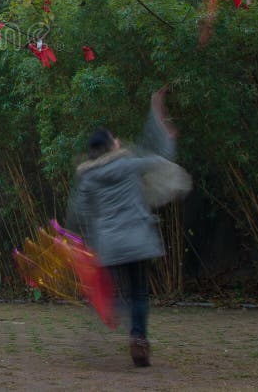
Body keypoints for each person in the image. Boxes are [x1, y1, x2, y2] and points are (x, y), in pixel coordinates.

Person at [68, 88, 189, 368]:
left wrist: (80, 239)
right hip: (137, 239)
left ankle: (112, 311)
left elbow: (81, 211)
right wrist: (165, 132)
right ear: (111, 145)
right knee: (138, 292)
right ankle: (138, 338)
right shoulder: (128, 164)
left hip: (109, 244)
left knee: (118, 291)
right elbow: (159, 160)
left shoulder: (87, 178)